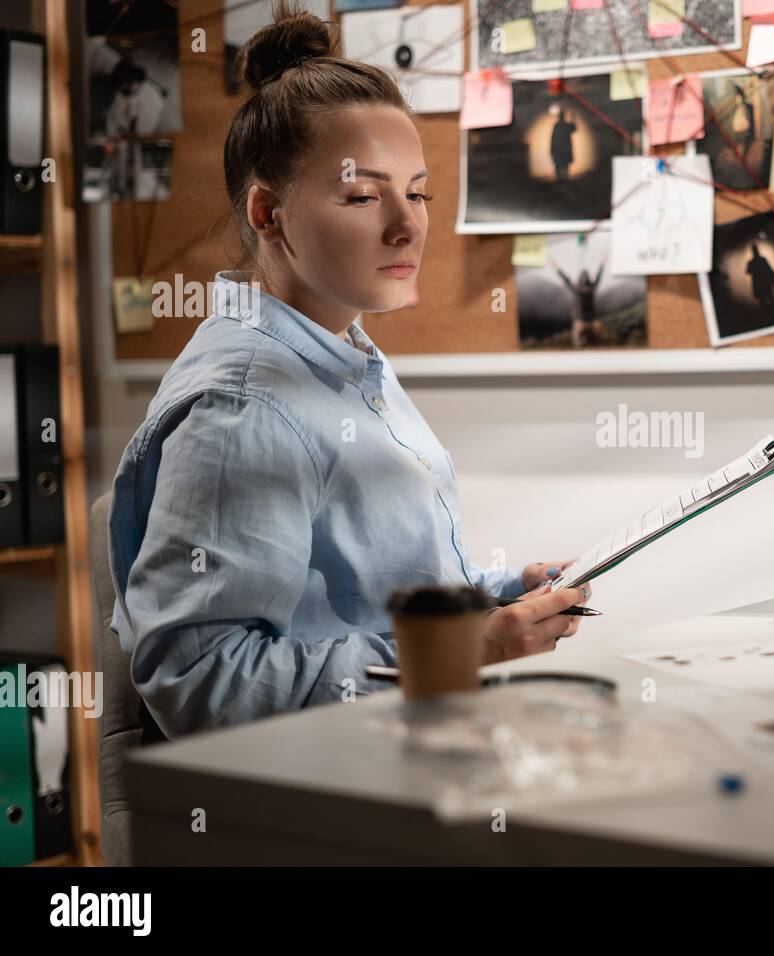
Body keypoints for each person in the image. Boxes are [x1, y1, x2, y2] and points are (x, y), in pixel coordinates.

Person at [106, 1, 590, 740]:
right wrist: (463, 649)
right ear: (268, 214)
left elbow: (361, 595)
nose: (408, 223)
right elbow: (198, 683)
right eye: (364, 195)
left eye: (418, 190)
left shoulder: (338, 354)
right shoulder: (246, 408)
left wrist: (493, 602)